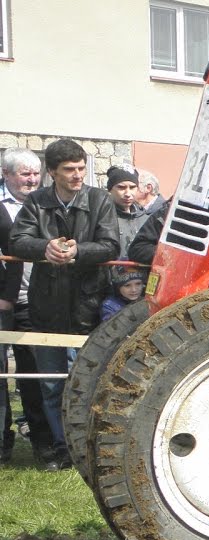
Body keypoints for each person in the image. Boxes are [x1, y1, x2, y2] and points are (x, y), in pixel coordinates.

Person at [10, 139, 121, 469]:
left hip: (86, 306)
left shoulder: (99, 199)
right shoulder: (37, 201)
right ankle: (61, 448)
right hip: (45, 307)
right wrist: (46, 247)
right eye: (69, 170)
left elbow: (111, 245)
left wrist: (77, 252)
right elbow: (18, 240)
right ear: (52, 172)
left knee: (83, 382)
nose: (77, 175)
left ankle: (84, 449)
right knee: (49, 383)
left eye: (81, 168)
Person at [0, 149, 59, 468]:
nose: (31, 179)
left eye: (36, 173)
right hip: (4, 300)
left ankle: (42, 443)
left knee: (34, 376)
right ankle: (3, 442)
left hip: (35, 303)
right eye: (24, 174)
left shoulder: (47, 205)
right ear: (7, 175)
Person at [105, 165, 149, 255]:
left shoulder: (146, 218)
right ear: (110, 190)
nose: (128, 193)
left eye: (132, 187)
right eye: (121, 187)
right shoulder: (103, 218)